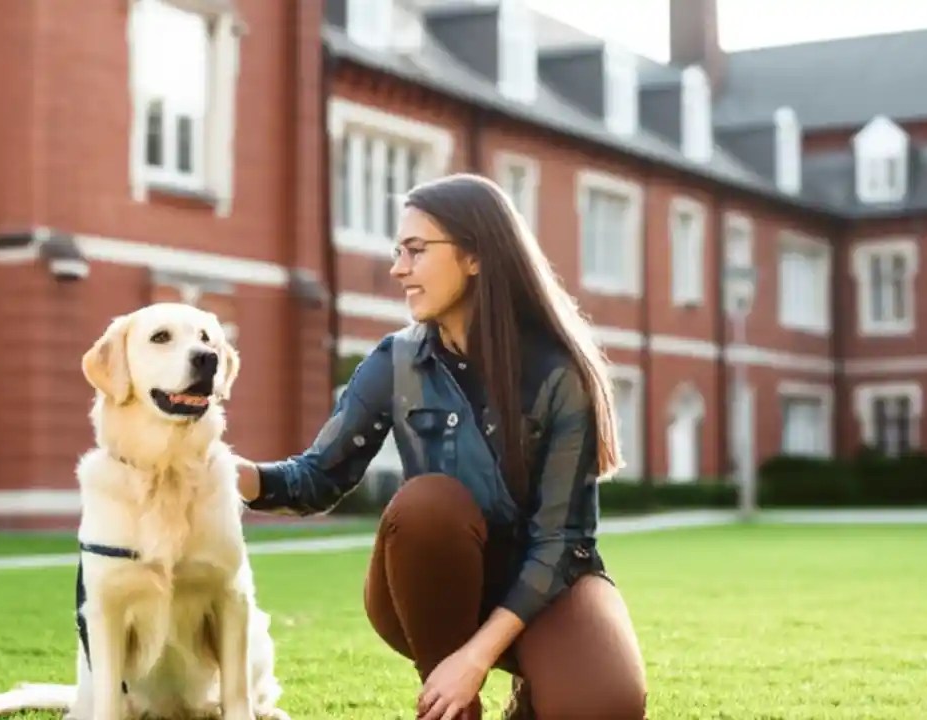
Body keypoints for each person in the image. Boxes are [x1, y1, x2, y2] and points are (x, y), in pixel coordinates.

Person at [235, 173, 647, 720]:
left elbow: (563, 543)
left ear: (475, 256)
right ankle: (452, 710)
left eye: (415, 250)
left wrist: (477, 656)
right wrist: (229, 473)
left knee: (606, 706)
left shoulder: (557, 375)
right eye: (396, 251)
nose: (397, 268)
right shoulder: (394, 363)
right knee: (429, 502)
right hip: (434, 574)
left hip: (542, 582)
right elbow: (317, 478)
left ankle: (528, 693)